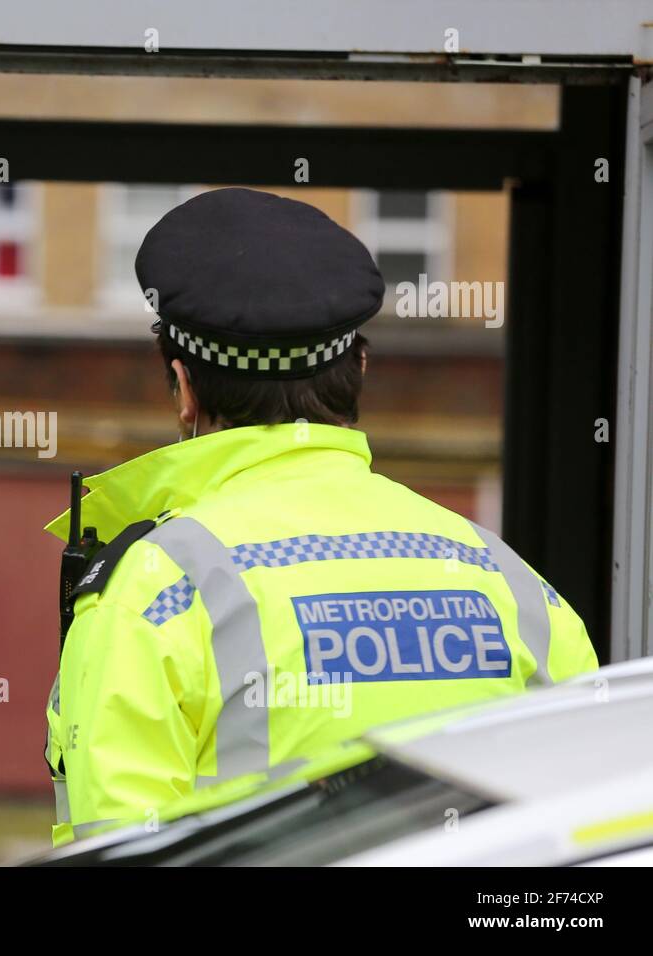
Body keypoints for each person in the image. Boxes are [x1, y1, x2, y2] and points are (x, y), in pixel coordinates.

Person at [43, 189, 598, 845]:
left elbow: (121, 848)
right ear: (359, 367)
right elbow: (591, 818)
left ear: (184, 388)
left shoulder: (156, 590)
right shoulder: (508, 579)